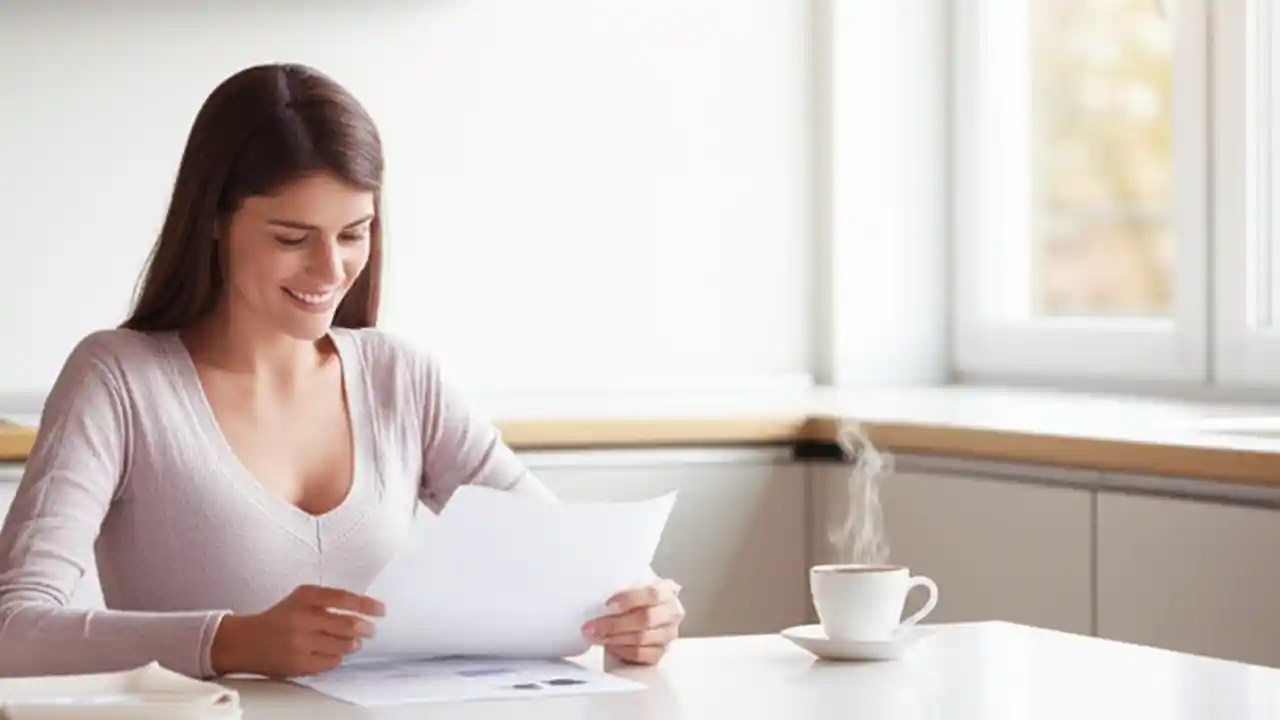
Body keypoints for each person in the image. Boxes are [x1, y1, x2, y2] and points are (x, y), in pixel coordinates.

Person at [0, 63, 683, 679]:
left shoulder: (401, 377)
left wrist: (631, 614)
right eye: (292, 238)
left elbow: (567, 570)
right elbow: (12, 632)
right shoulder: (119, 381)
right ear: (212, 220)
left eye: (354, 233)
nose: (330, 272)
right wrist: (232, 642)